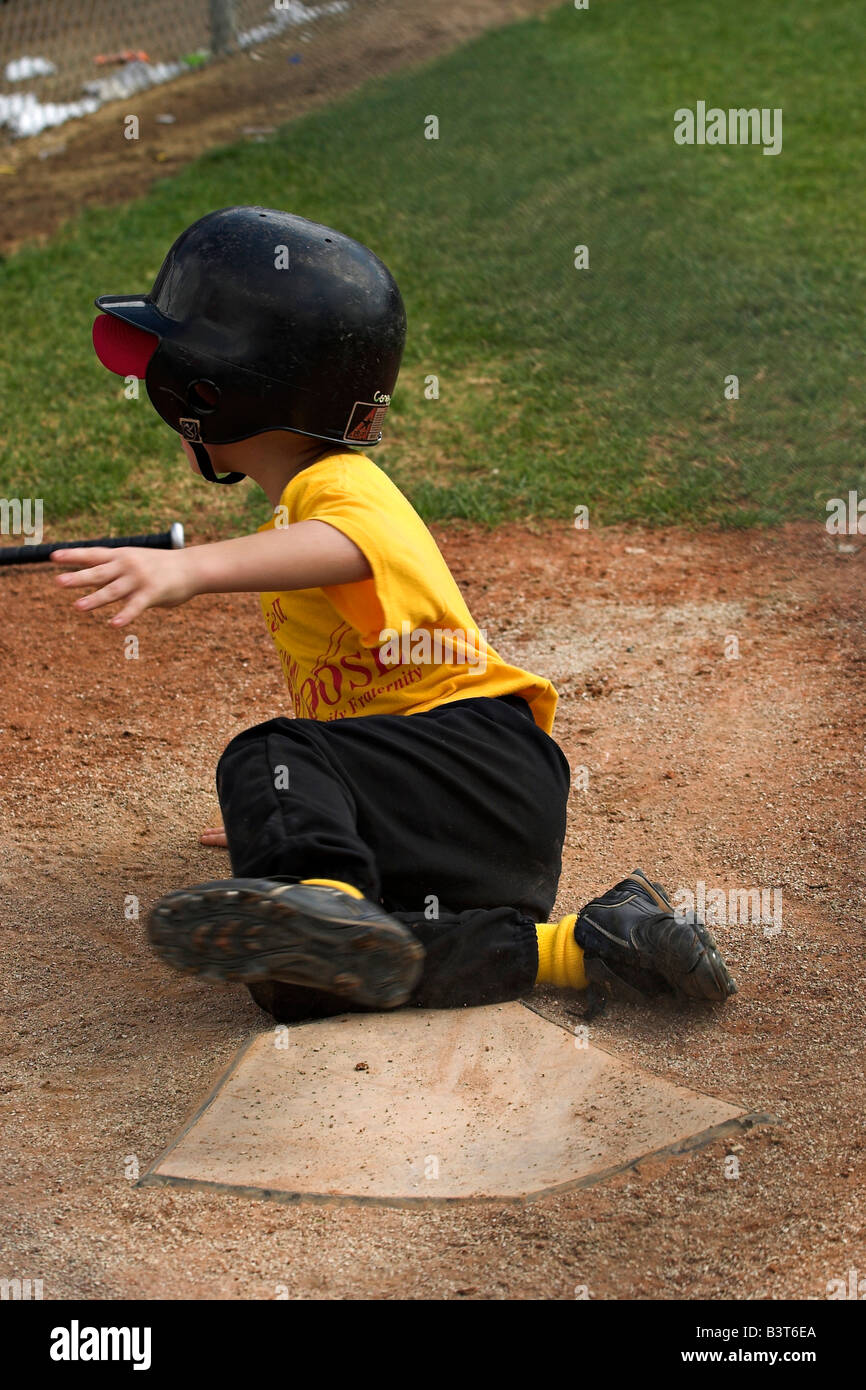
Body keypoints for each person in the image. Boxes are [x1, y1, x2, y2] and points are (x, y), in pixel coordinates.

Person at [53, 205, 736, 1023]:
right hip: (475, 818)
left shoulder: (338, 487)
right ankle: (586, 944)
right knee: (295, 979)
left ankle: (322, 893)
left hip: (481, 752)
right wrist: (292, 818)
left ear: (215, 387)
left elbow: (350, 541)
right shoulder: (307, 505)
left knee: (265, 748)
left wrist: (193, 569)